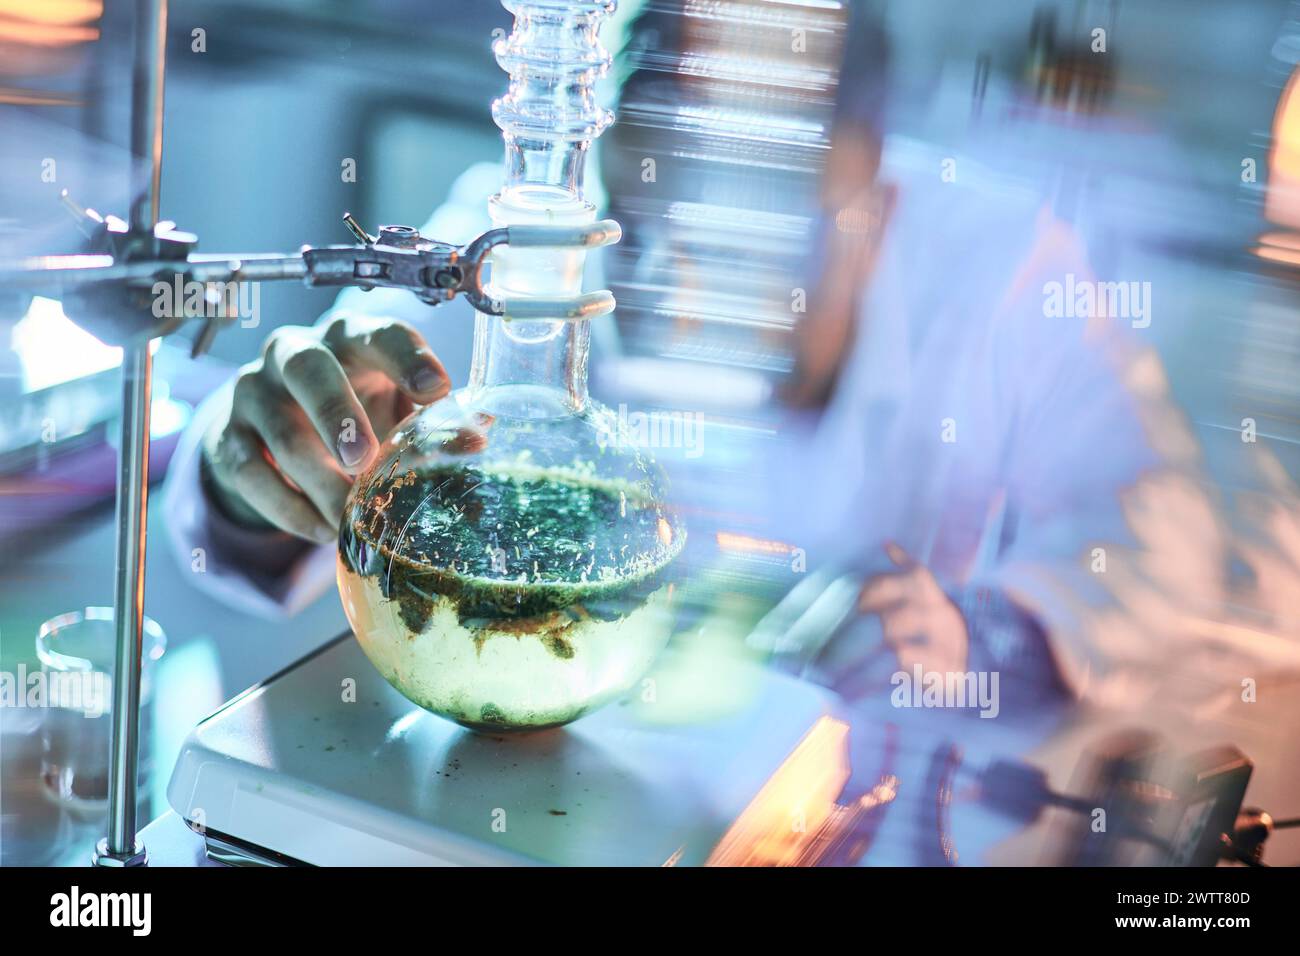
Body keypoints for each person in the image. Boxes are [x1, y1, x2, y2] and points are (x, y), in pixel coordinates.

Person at [162, 8, 1223, 710]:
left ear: (869, 177)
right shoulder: (541, 232)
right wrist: (249, 457)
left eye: (746, 222)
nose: (682, 278)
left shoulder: (999, 266)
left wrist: (987, 635)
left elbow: (1174, 547)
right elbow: (322, 424)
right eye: (648, 214)